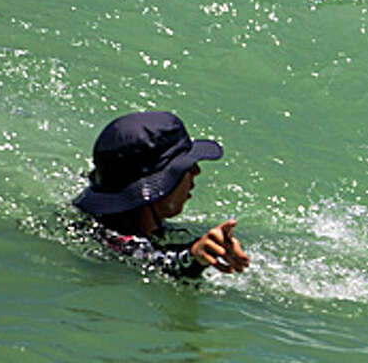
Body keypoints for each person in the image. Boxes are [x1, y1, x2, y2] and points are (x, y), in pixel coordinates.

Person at [71, 111, 249, 277]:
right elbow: (155, 262)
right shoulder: (109, 240)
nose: (196, 171)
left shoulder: (116, 221)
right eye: (184, 167)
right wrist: (194, 256)